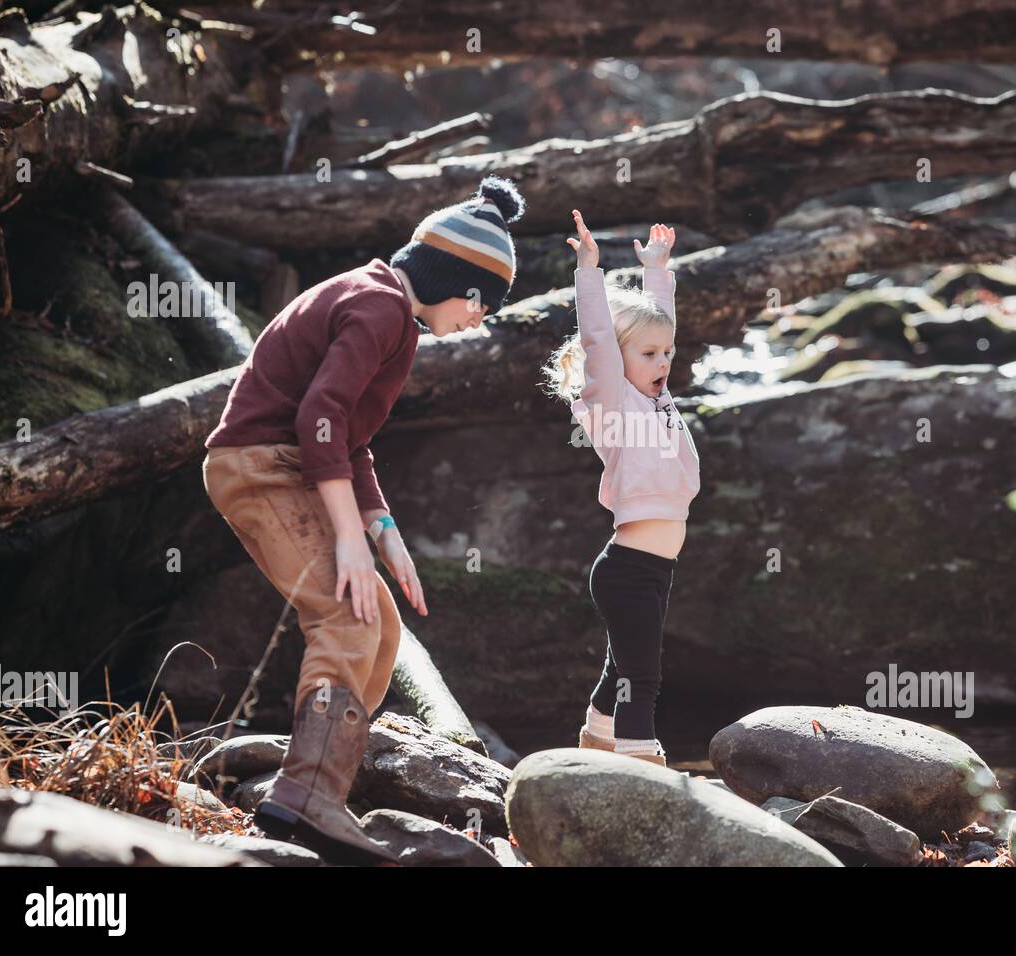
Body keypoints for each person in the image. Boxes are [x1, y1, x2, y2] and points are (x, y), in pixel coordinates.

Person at [201, 175, 526, 863]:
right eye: (481, 304)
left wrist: (384, 534)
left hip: (286, 465)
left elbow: (348, 436)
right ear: (452, 280)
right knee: (346, 616)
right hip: (260, 467)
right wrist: (348, 538)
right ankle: (304, 797)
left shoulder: (391, 314)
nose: (480, 320)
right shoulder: (377, 306)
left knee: (377, 624)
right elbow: (317, 417)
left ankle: (321, 789)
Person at [542, 209, 700, 767]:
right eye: (649, 355)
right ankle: (638, 758)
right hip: (628, 568)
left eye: (667, 354)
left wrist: (658, 271)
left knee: (622, 662)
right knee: (642, 670)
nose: (663, 363)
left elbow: (662, 325)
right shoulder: (613, 401)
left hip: (653, 569)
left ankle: (596, 736)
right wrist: (589, 271)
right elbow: (600, 338)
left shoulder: (657, 396)